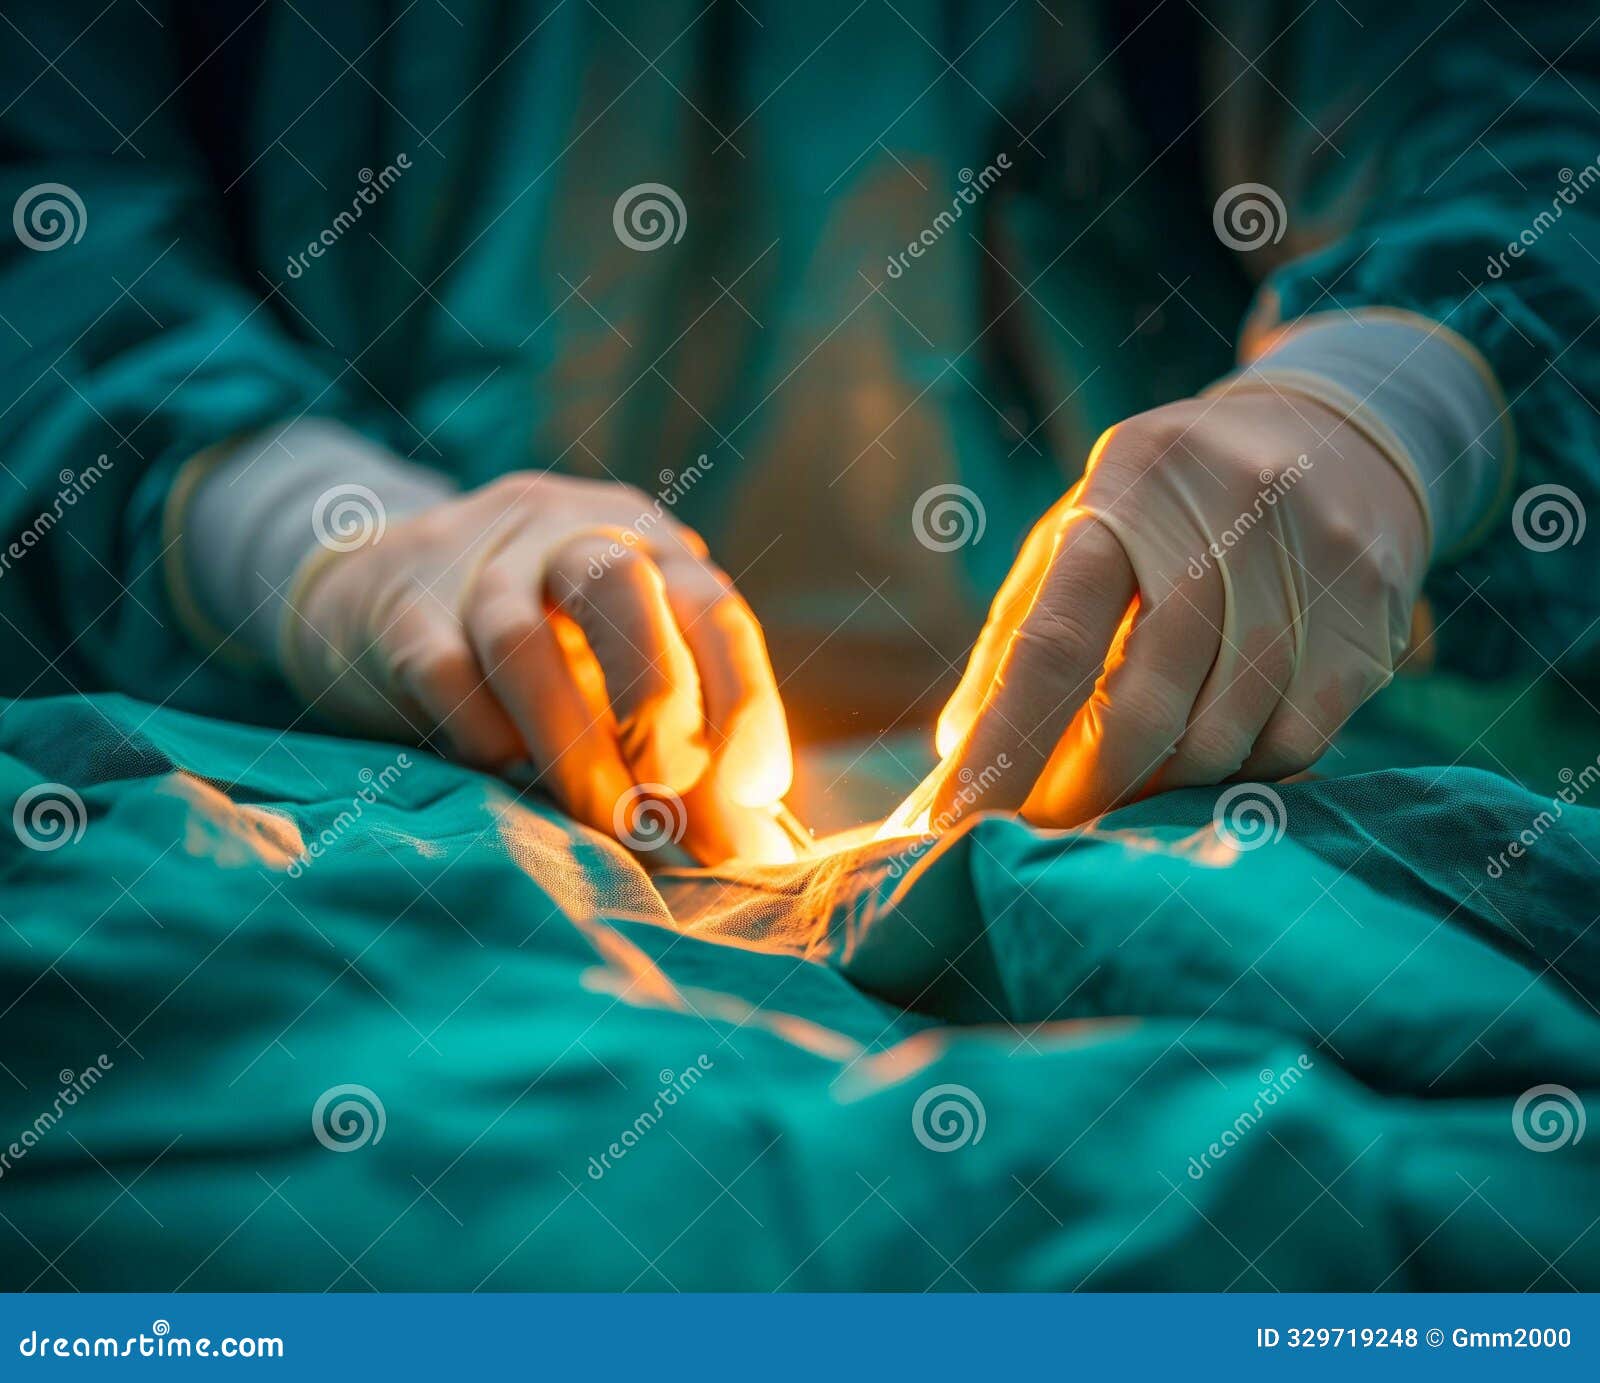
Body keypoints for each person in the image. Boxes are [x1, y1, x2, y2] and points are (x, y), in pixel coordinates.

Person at [0, 2, 1592, 861]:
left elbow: (1520, 106)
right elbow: (47, 223)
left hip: (1180, 781)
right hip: (370, 765)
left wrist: (1392, 403)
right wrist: (318, 536)